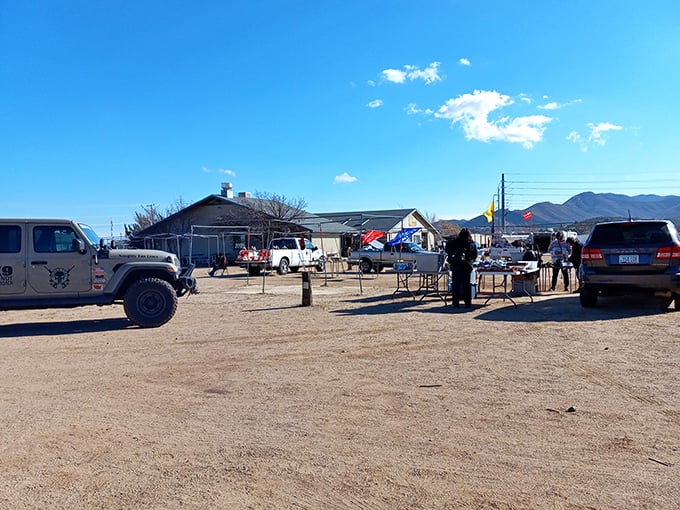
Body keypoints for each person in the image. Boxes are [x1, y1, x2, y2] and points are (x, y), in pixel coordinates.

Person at [445, 229, 478, 308]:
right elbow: (475, 255)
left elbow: (447, 250)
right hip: (467, 265)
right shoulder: (471, 243)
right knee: (467, 284)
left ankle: (455, 302)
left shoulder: (454, 242)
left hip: (456, 265)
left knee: (456, 284)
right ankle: (467, 302)